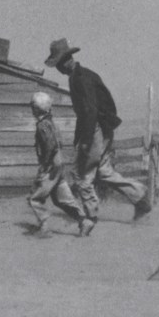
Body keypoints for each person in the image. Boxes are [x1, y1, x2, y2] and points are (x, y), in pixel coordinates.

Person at [44, 38, 150, 234]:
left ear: (65, 61)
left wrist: (85, 141)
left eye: (58, 64)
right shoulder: (81, 75)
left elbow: (90, 111)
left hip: (95, 129)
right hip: (101, 128)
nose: (58, 69)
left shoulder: (80, 78)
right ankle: (140, 196)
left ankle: (90, 217)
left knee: (82, 175)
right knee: (104, 172)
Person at [26, 91, 85, 235]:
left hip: (51, 166)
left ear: (36, 108)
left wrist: (45, 165)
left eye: (32, 107)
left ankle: (44, 227)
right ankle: (84, 220)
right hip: (59, 164)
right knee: (62, 199)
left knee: (35, 198)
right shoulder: (52, 123)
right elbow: (58, 143)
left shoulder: (42, 125)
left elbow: (50, 145)